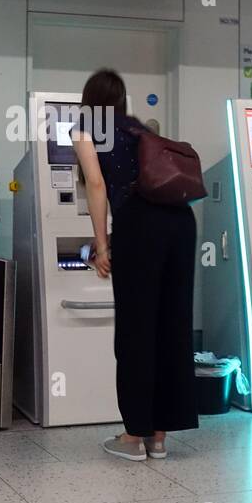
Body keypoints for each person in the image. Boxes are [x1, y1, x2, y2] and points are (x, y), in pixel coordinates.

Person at [71, 68, 198, 461]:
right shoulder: (139, 130)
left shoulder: (84, 128)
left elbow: (96, 184)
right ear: (122, 100)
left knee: (136, 330)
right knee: (171, 326)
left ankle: (132, 437)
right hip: (179, 224)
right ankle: (159, 436)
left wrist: (101, 244)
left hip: (139, 228)